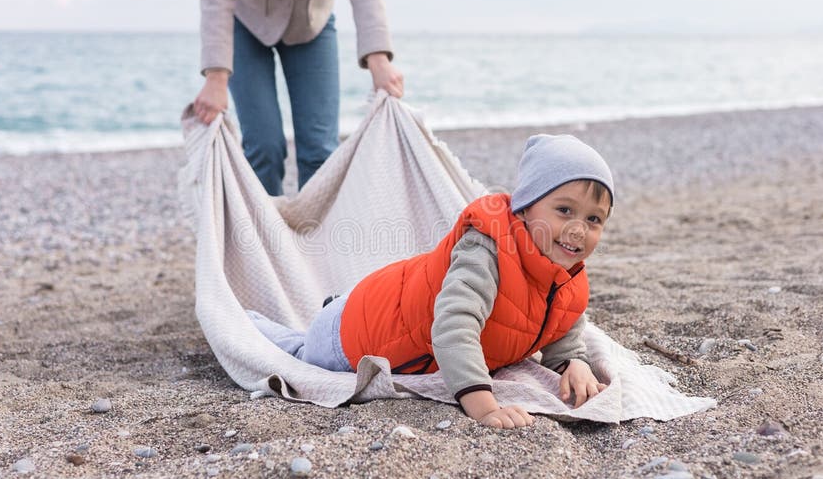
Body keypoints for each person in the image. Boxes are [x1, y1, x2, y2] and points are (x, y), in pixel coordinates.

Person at [254, 134, 614, 429]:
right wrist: (484, 407)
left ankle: (334, 303)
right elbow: (453, 329)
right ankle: (253, 325)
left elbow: (562, 327)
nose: (578, 229)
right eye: (564, 210)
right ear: (525, 208)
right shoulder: (487, 253)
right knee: (302, 350)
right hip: (348, 334)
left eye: (595, 218)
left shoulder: (565, 275)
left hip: (387, 297)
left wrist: (572, 362)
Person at [193, 0, 404, 195]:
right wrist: (216, 75)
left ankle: (315, 241)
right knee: (264, 147)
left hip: (311, 23)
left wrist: (378, 58)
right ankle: (265, 238)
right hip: (246, 22)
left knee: (320, 151)